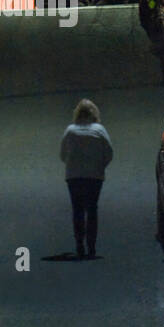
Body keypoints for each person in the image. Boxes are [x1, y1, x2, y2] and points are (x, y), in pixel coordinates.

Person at [60, 99, 113, 259]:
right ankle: (91, 246)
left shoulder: (70, 131)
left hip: (74, 176)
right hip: (94, 176)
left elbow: (63, 154)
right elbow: (109, 152)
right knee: (92, 209)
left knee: (77, 209)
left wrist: (72, 164)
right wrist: (100, 166)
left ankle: (79, 244)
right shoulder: (100, 130)